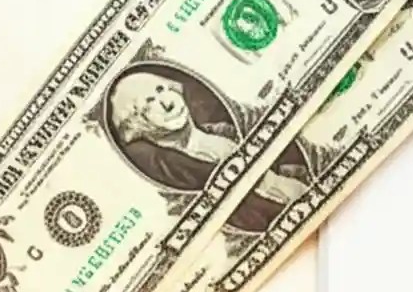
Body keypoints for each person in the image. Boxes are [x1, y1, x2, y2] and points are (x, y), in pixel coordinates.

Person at [109, 72, 309, 207]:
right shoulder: (176, 170)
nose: (167, 103)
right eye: (149, 103)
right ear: (137, 125)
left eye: (162, 90)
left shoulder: (222, 133)